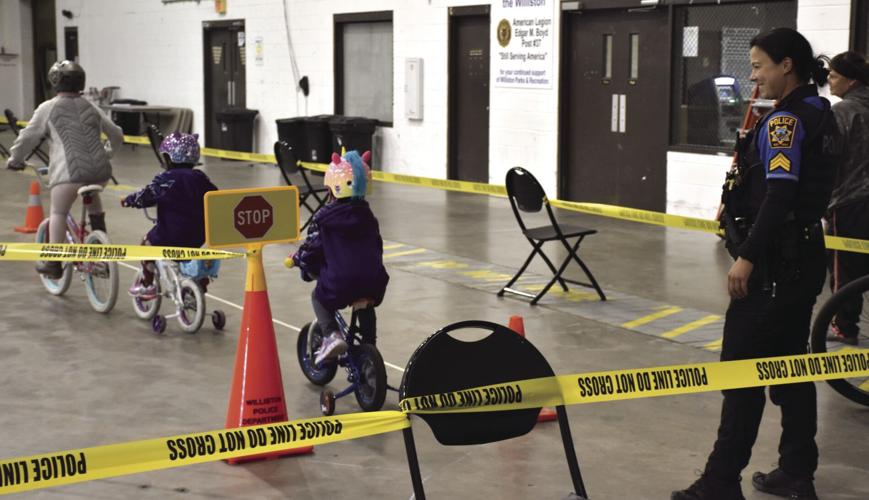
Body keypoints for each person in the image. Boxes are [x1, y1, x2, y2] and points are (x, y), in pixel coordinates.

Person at [674, 28, 840, 500]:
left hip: (773, 265)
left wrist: (746, 257)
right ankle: (796, 471)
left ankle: (721, 481)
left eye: (759, 65)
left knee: (741, 372)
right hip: (802, 256)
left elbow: (782, 193)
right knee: (789, 366)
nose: (753, 76)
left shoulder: (786, 122)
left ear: (787, 65)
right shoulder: (819, 112)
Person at [5, 60, 123, 279]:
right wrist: (106, 153)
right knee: (95, 209)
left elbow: (28, 137)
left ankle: (53, 263)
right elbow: (116, 134)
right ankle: (102, 255)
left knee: (58, 212)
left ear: (55, 82)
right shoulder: (91, 105)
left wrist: (15, 158)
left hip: (69, 174)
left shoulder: (48, 108)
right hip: (100, 172)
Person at [291, 150, 389, 365]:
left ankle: (331, 336)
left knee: (319, 297)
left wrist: (299, 259)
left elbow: (314, 247)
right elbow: (377, 247)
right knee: (365, 301)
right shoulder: (369, 218)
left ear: (331, 190)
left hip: (341, 283)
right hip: (374, 281)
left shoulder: (325, 219)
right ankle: (369, 345)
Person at [122, 132, 218, 296]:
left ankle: (148, 284)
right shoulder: (201, 178)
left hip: (170, 235)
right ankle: (199, 280)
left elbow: (147, 195)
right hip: (198, 236)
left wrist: (129, 200)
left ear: (168, 158)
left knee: (146, 244)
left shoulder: (166, 179)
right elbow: (215, 196)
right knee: (188, 245)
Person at [824, 51, 869, 346]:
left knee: (845, 267)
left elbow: (830, 157)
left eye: (834, 75)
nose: (828, 80)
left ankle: (844, 325)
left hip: (849, 200)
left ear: (851, 81)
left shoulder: (842, 112)